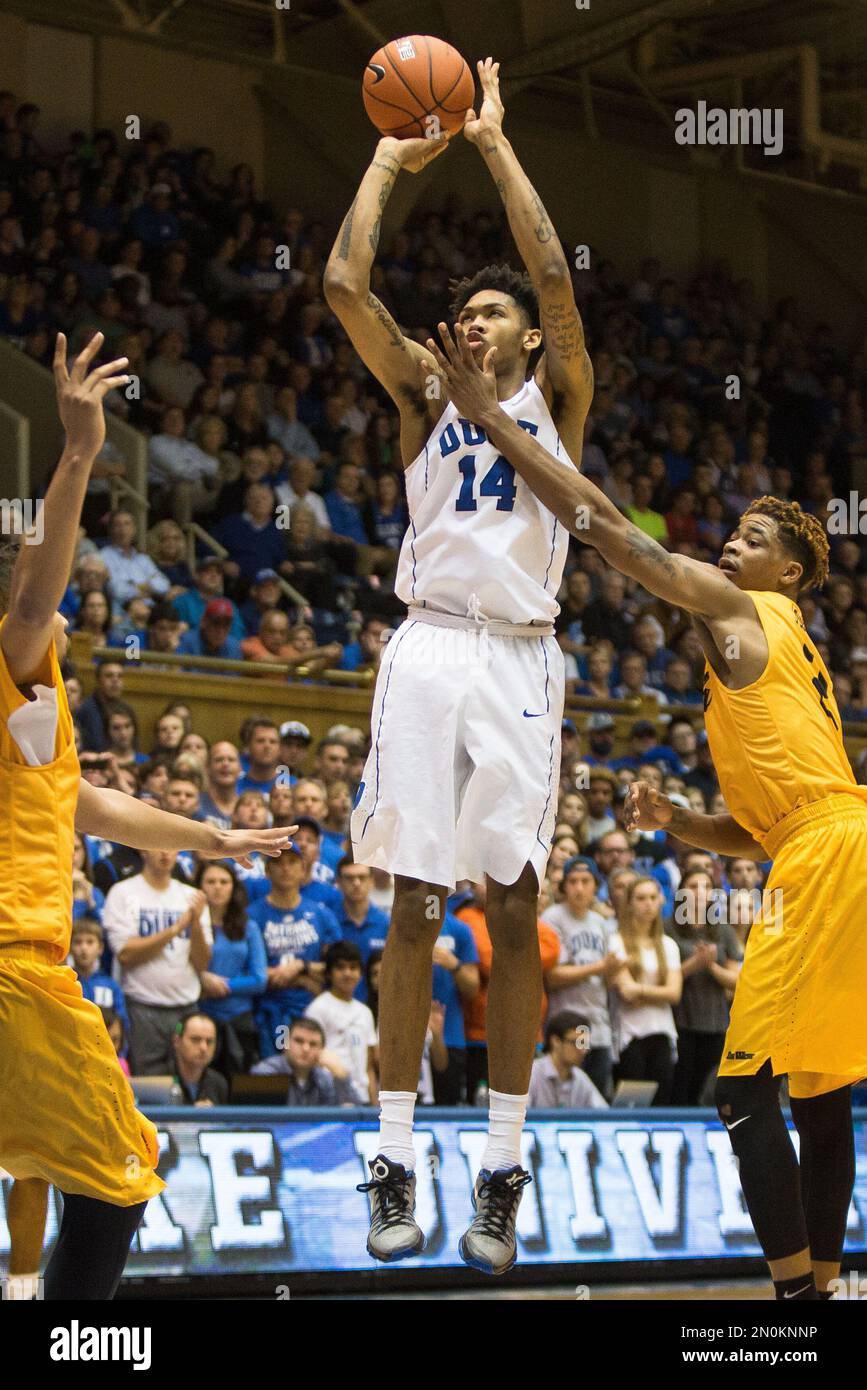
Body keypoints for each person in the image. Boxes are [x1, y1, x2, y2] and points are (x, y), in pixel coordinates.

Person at [431, 310, 861, 1301]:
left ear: (788, 572)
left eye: (752, 540)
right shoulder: (776, 652)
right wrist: (677, 820)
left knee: (743, 1086)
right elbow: (754, 831)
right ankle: (827, 1290)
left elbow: (610, 531)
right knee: (823, 1086)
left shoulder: (741, 606)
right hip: (837, 838)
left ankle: (795, 1295)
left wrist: (495, 424)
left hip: (830, 856)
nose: (731, 544)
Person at [325, 57, 593, 1273]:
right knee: (414, 907)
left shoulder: (558, 397)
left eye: (498, 315)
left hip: (524, 660)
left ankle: (500, 1175)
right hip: (431, 647)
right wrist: (390, 157)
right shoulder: (425, 395)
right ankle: (391, 1158)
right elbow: (341, 281)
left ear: (531, 341)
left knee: (517, 907)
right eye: (465, 312)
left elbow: (549, 271)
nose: (477, 319)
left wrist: (488, 142)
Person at [0, 329, 294, 1301]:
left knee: (55, 1160)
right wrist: (81, 452)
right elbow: (37, 594)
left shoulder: (33, 737)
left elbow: (97, 805)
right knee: (123, 1173)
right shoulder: (12, 657)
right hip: (19, 971)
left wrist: (211, 835)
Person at [248, 842, 341, 1058]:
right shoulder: (252, 915)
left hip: (312, 1008)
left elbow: (336, 966)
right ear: (267, 870)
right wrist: (300, 978)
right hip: (269, 1008)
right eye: (278, 863)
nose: (286, 868)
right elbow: (247, 969)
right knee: (275, 1074)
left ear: (303, 868)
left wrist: (301, 966)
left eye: (292, 862)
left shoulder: (321, 914)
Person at [541, 855, 621, 1100]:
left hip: (598, 1025)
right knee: (568, 1099)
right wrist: (599, 967)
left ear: (595, 886)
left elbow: (607, 979)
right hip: (565, 1027)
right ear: (563, 886)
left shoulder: (601, 923)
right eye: (573, 881)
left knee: (596, 1099)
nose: (579, 888)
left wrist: (613, 971)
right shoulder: (552, 919)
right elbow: (552, 976)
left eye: (585, 881)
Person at [668, 867, 742, 1106]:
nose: (700, 892)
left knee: (710, 1090)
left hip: (717, 1023)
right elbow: (663, 979)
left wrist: (711, 967)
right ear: (681, 892)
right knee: (681, 1091)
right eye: (693, 886)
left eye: (706, 887)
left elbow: (738, 982)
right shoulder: (667, 927)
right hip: (681, 1023)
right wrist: (694, 964)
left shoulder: (723, 931)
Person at [609, 876, 682, 1104]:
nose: (648, 904)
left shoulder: (668, 944)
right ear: (629, 903)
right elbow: (626, 993)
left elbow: (674, 994)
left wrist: (641, 991)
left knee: (662, 1108)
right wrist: (655, 992)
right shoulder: (616, 941)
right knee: (632, 1108)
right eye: (641, 898)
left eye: (652, 897)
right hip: (630, 1037)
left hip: (662, 1033)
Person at [196, 860, 266, 1076]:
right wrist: (201, 978)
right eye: (211, 881)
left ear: (234, 887)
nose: (217, 887)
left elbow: (259, 978)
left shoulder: (249, 926)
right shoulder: (191, 923)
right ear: (199, 887)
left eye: (224, 882)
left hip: (239, 1018)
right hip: (201, 1015)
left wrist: (221, 984)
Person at [304, 941, 378, 1103]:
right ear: (329, 973)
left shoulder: (365, 1012)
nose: (347, 973)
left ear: (360, 973)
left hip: (362, 1098)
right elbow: (310, 1055)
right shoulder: (317, 1008)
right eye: (340, 967)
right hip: (331, 1096)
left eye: (353, 968)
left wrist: (374, 1106)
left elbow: (369, 1067)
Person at [251, 1015, 358, 1105]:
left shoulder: (324, 1079)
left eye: (313, 1044)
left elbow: (352, 1115)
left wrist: (340, 1074)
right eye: (299, 1041)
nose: (306, 1049)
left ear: (322, 1051)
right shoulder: (265, 1073)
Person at [528, 1011, 608, 1109]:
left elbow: (602, 1113)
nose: (583, 1051)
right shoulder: (532, 1074)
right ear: (556, 1041)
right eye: (577, 1043)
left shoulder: (580, 1077)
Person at [69, 916, 128, 1029]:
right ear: (70, 948)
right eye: (78, 942)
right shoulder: (66, 982)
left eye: (90, 942)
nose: (84, 948)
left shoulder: (111, 985)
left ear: (100, 948)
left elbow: (122, 1023)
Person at [170, 1012, 228, 1104]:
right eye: (195, 1040)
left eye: (209, 1041)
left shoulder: (218, 1083)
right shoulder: (157, 1079)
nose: (203, 1048)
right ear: (177, 1041)